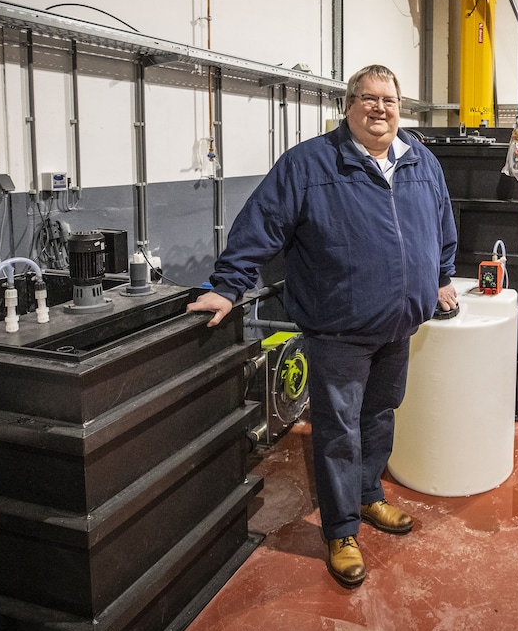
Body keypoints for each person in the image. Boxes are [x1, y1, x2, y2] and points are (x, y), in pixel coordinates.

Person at [187, 64, 458, 588]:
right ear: (348, 105)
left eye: (389, 100)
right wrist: (228, 285)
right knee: (338, 429)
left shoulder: (420, 160)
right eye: (368, 98)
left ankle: (368, 495)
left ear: (400, 108)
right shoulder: (309, 164)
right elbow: (261, 224)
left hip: (398, 323)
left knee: (380, 414)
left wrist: (442, 276)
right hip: (339, 326)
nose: (380, 108)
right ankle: (341, 530)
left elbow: (441, 223)